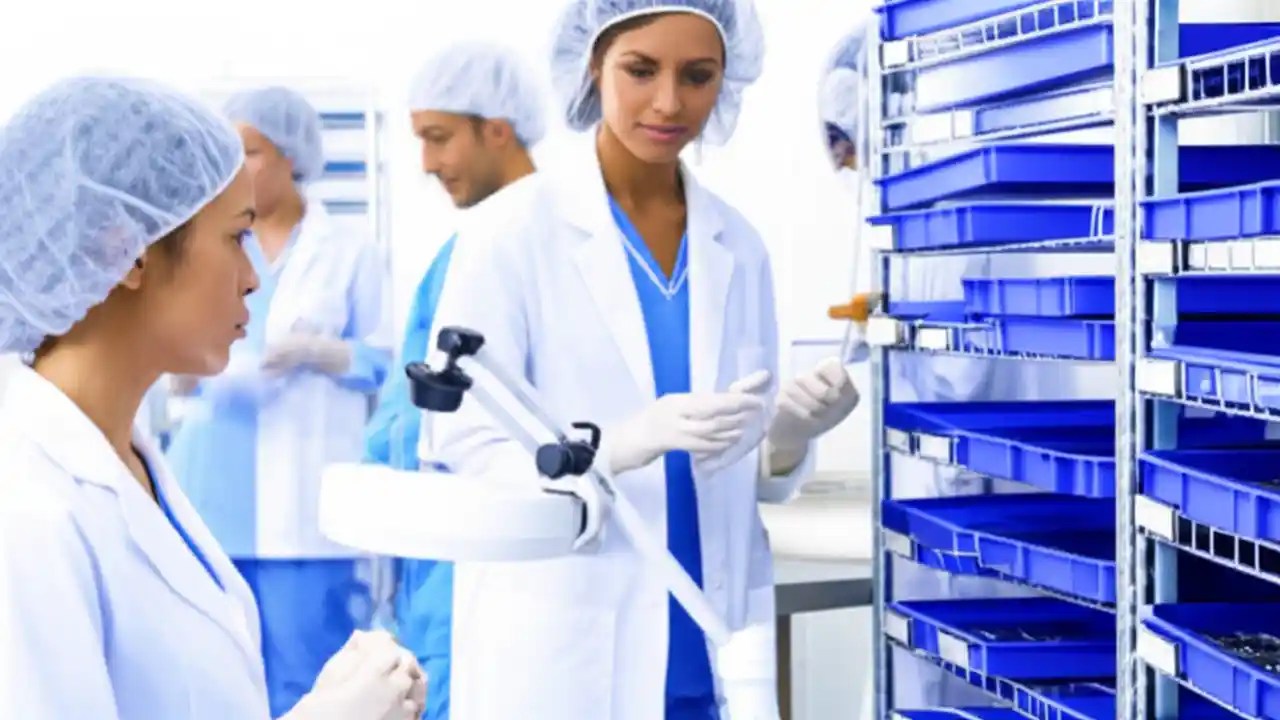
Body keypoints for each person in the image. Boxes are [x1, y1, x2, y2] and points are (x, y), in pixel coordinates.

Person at [421, 2, 860, 718]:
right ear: (594, 65)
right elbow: (462, 440)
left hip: (711, 640)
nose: (668, 102)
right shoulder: (510, 234)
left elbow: (737, 455)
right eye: (640, 69)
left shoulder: (737, 247)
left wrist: (787, 436)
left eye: (697, 76)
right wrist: (614, 447)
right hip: (567, 644)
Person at [0, 75, 423, 719]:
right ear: (129, 253)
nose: (252, 279)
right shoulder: (25, 509)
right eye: (234, 238)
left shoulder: (125, 460)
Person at [164, 86, 394, 716]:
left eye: (252, 152)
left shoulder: (347, 250)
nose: (237, 169)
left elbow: (385, 363)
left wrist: (328, 353)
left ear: (290, 155)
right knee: (219, 680)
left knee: (314, 680)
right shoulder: (204, 243)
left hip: (305, 510)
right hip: (212, 492)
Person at [362, 42, 546, 720]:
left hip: (486, 552)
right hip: (446, 548)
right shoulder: (473, 243)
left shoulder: (523, 240)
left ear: (497, 127)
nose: (428, 163)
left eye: (439, 139)